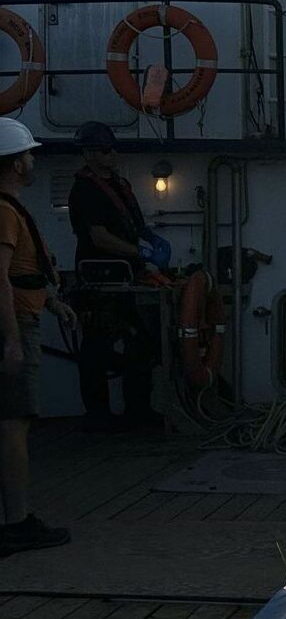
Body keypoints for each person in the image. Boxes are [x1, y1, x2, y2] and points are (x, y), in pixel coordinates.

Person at [0, 118, 77, 556]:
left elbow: (21, 276)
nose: (33, 160)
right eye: (28, 154)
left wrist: (53, 304)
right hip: (12, 329)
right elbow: (0, 281)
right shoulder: (4, 213)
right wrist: (11, 340)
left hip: (22, 319)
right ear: (14, 164)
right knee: (12, 426)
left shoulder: (9, 211)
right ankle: (16, 522)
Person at [67, 121, 157, 430]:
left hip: (125, 277)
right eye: (106, 149)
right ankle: (99, 416)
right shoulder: (84, 191)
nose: (113, 153)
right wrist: (140, 252)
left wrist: (152, 240)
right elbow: (99, 237)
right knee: (97, 348)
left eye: (113, 147)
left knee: (140, 346)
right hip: (102, 280)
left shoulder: (119, 185)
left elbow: (133, 222)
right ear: (90, 154)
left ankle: (138, 410)